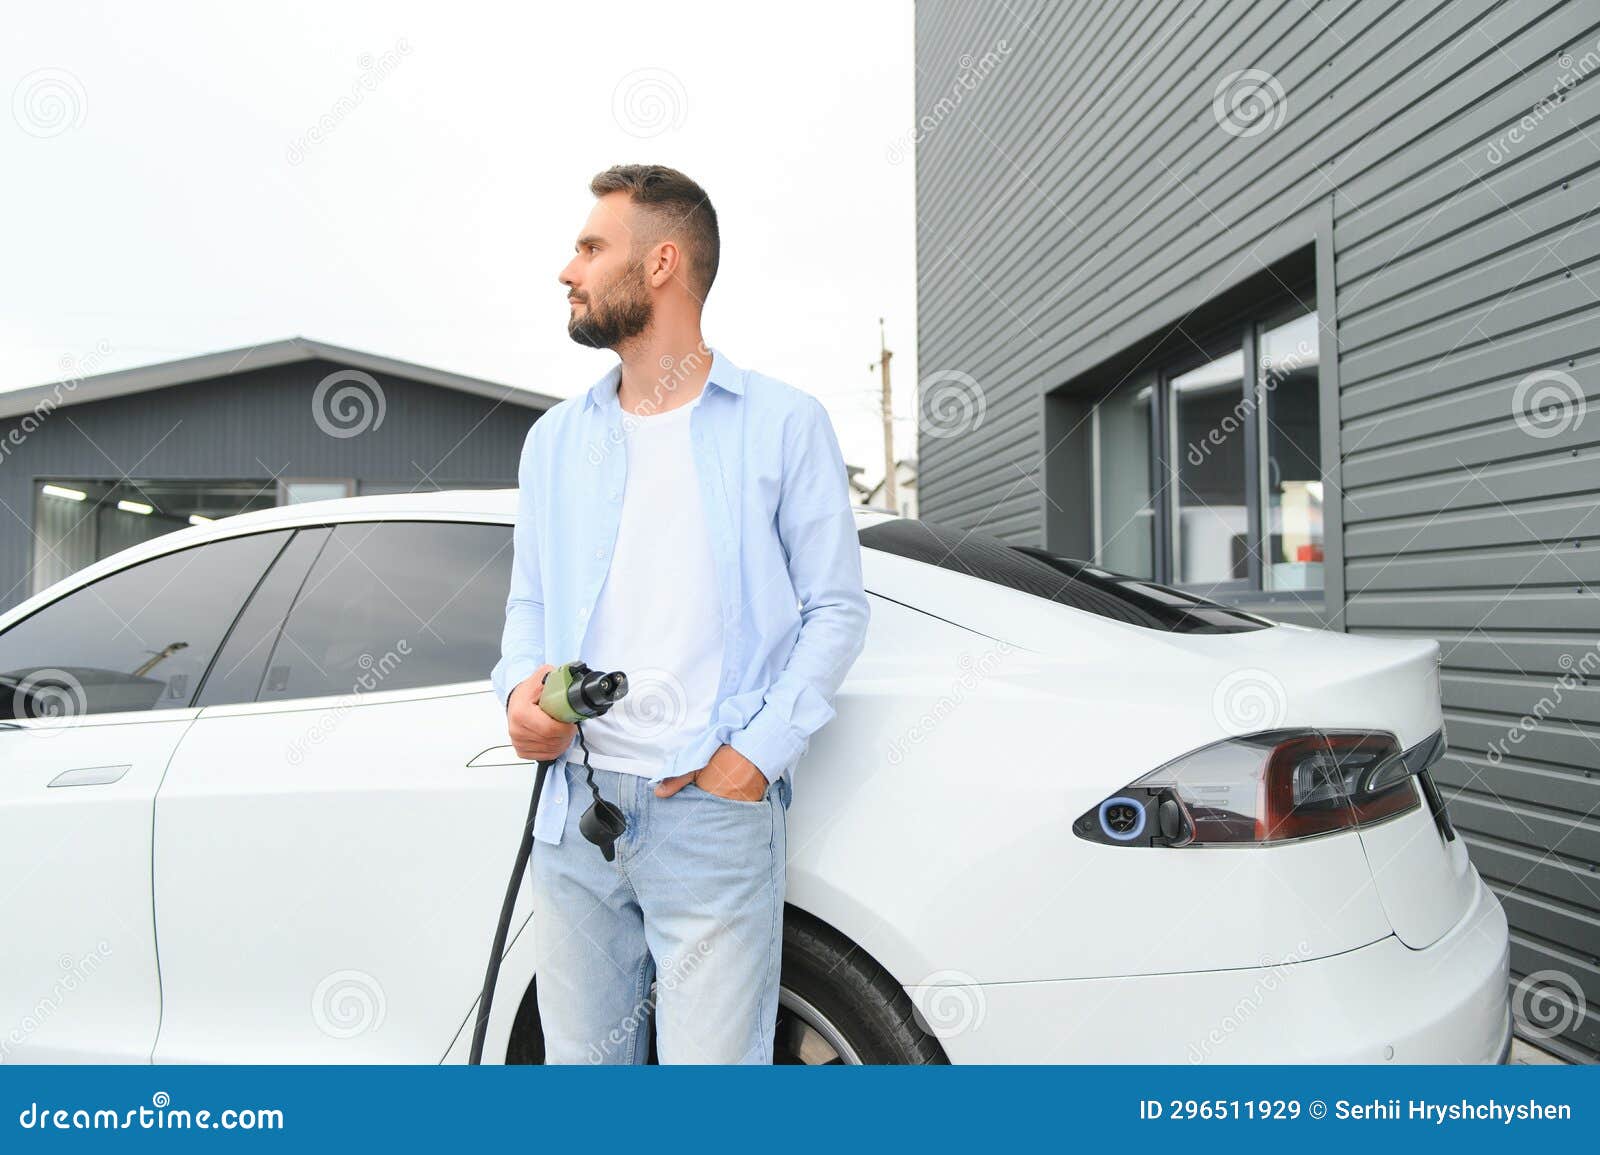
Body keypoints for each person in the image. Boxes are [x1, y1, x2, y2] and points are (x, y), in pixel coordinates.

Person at [490, 164, 869, 1064]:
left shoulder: (782, 423)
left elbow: (837, 610)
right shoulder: (555, 442)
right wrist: (519, 694)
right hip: (574, 810)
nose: (567, 269)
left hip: (710, 807)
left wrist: (751, 759)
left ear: (661, 264)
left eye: (590, 246)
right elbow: (530, 605)